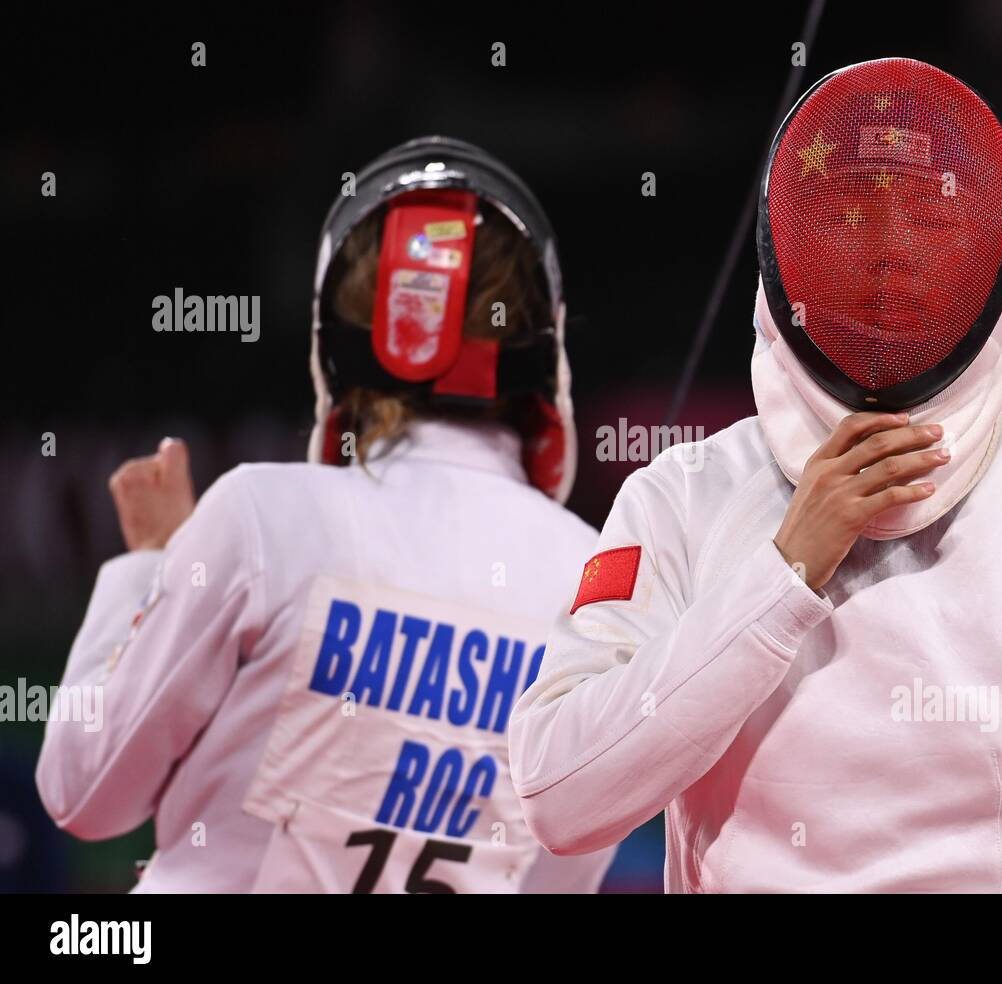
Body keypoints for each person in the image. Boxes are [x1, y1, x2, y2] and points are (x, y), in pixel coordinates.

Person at [507, 59, 1002, 892]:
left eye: (927, 218)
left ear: (991, 253)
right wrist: (781, 578)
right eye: (852, 218)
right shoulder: (680, 499)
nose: (890, 256)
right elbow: (562, 800)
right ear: (791, 240)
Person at [37, 136, 616, 893]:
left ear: (335, 342)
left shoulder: (263, 515)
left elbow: (83, 793)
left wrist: (148, 562)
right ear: (544, 342)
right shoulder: (600, 585)